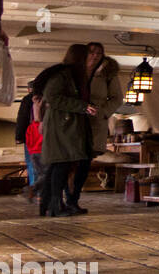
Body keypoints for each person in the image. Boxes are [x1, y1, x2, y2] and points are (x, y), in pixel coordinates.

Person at [39, 44, 96, 217]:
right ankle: (55, 206)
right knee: (61, 165)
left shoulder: (74, 75)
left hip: (67, 126)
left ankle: (50, 206)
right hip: (62, 127)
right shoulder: (62, 75)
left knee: (59, 166)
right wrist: (82, 106)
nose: (91, 58)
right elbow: (52, 97)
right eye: (88, 55)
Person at [85, 42, 125, 166]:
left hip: (95, 119)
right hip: (75, 119)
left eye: (99, 53)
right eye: (92, 52)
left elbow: (117, 97)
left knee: (87, 157)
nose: (95, 56)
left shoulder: (107, 72)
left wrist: (103, 113)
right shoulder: (76, 71)